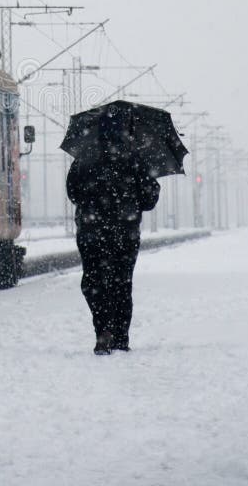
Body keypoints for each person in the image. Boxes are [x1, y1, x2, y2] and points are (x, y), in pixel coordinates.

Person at [66, 152, 160, 355]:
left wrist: (93, 202)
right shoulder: (136, 158)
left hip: (92, 232)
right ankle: (120, 337)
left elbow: (73, 193)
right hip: (125, 233)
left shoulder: (84, 157)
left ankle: (103, 331)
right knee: (122, 284)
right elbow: (149, 200)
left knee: (94, 282)